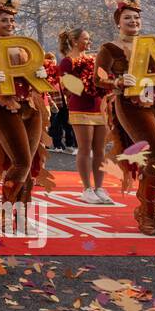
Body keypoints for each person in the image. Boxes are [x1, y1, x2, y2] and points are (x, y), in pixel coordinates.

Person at [95, 0, 155, 237]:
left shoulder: (151, 46)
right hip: (130, 105)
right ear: (118, 22)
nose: (133, 22)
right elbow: (97, 80)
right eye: (128, 18)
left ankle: (151, 215)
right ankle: (147, 215)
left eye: (136, 18)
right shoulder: (109, 48)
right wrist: (116, 81)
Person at [0, 0, 52, 232]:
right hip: (4, 104)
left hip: (31, 105)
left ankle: (23, 217)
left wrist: (42, 72)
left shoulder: (26, 44)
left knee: (33, 161)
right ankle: (6, 211)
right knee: (21, 161)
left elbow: (38, 77)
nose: (10, 23)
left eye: (12, 19)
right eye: (4, 20)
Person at [57, 28, 113, 204]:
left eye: (89, 39)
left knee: (100, 150)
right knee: (85, 147)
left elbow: (105, 78)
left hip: (98, 106)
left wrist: (105, 83)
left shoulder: (94, 59)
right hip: (81, 106)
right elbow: (69, 85)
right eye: (86, 39)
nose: (89, 42)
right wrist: (89, 85)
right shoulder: (67, 62)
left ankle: (99, 187)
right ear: (74, 41)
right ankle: (87, 188)